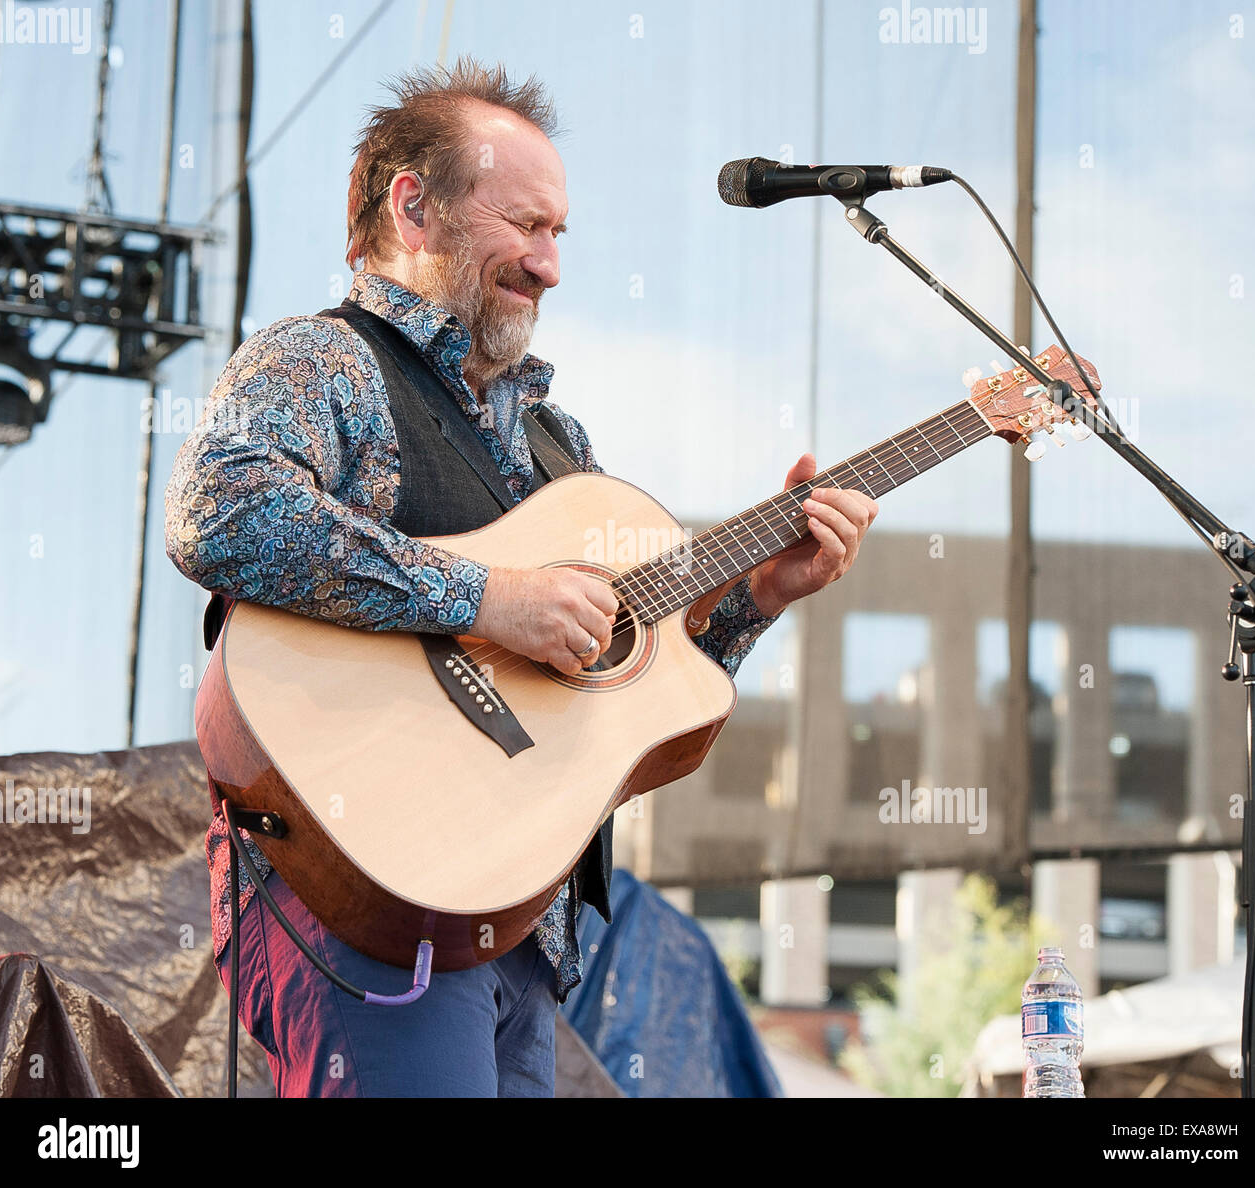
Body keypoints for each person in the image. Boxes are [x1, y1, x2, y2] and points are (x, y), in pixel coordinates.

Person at [163, 57, 878, 1098]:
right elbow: (217, 512)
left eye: (559, 235)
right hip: (364, 894)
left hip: (522, 928)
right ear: (414, 206)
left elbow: (624, 690)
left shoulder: (558, 445)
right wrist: (488, 599)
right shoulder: (323, 362)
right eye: (525, 227)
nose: (549, 266)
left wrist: (760, 595)